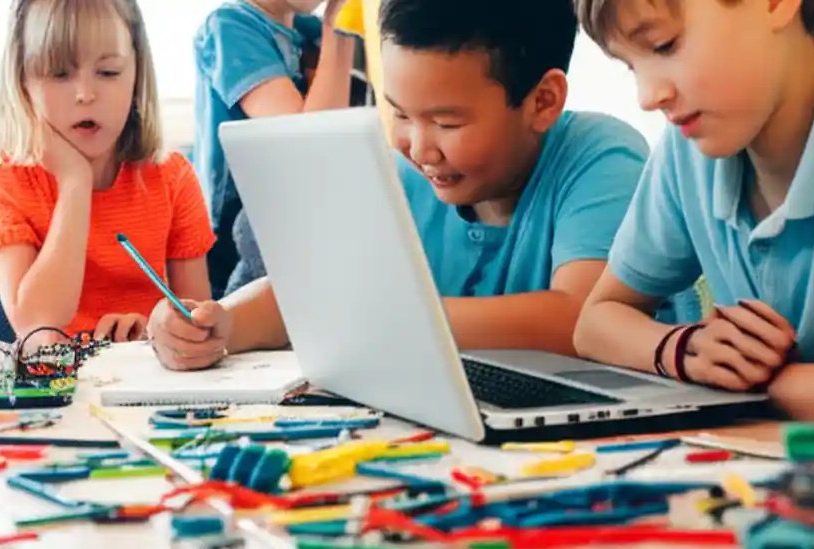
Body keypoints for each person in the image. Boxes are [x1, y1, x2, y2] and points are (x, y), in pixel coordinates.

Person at [149, 0, 652, 372]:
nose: (419, 147)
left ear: (542, 101)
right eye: (401, 114)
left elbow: (580, 317)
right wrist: (221, 323)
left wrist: (379, 318)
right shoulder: (401, 176)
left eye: (447, 123)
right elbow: (310, 296)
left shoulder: (601, 155)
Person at [571, 0, 814, 447]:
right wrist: (683, 350)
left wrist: (750, 384)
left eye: (664, 45)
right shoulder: (687, 154)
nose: (648, 96)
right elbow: (594, 322)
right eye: (630, 67)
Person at [0, 0, 214, 345]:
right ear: (22, 81)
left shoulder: (172, 176)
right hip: (58, 392)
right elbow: (37, 327)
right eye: (59, 74)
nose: (85, 94)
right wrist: (74, 181)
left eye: (109, 72)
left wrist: (151, 334)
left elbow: (200, 329)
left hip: (149, 381)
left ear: (136, 76)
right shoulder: (0, 176)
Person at [193, 0, 357, 297]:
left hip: (297, 226)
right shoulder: (230, 26)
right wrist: (339, 30)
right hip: (234, 240)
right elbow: (306, 144)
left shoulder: (310, 32)